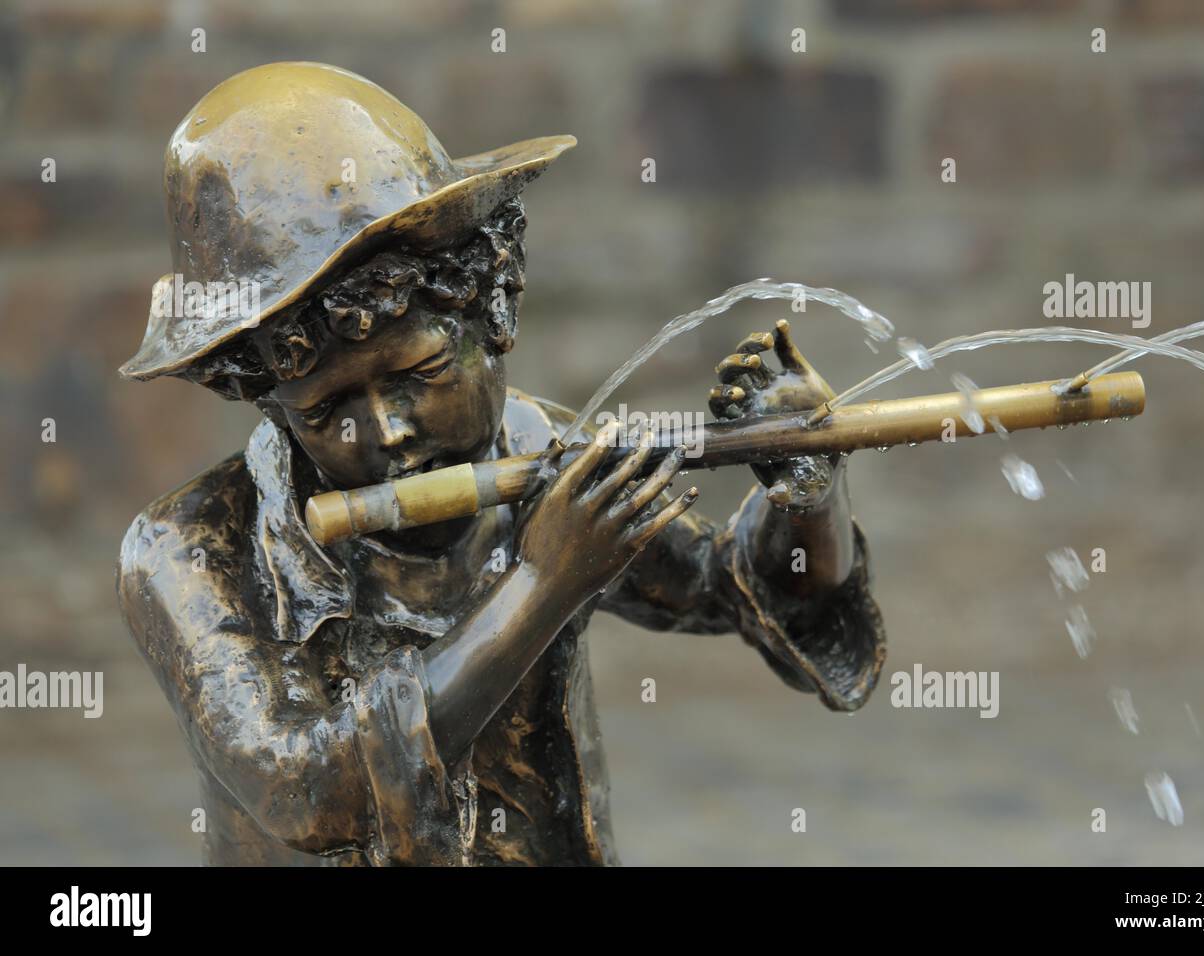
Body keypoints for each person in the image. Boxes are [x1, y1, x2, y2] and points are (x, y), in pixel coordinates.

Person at [116, 62, 886, 866]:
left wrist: (807, 491)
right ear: (268, 397)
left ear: (491, 312)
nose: (384, 433)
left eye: (418, 373)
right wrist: (543, 582)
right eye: (324, 411)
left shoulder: (537, 451)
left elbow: (734, 590)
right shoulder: (189, 552)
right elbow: (309, 792)